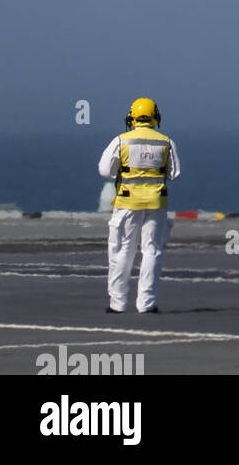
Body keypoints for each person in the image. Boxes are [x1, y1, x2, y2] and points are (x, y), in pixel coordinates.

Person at [97, 98, 181, 314]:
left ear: (132, 117)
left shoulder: (121, 141)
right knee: (152, 250)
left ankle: (117, 302)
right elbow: (174, 173)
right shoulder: (166, 142)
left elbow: (105, 171)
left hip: (127, 202)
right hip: (156, 202)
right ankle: (147, 302)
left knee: (122, 250)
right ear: (156, 117)